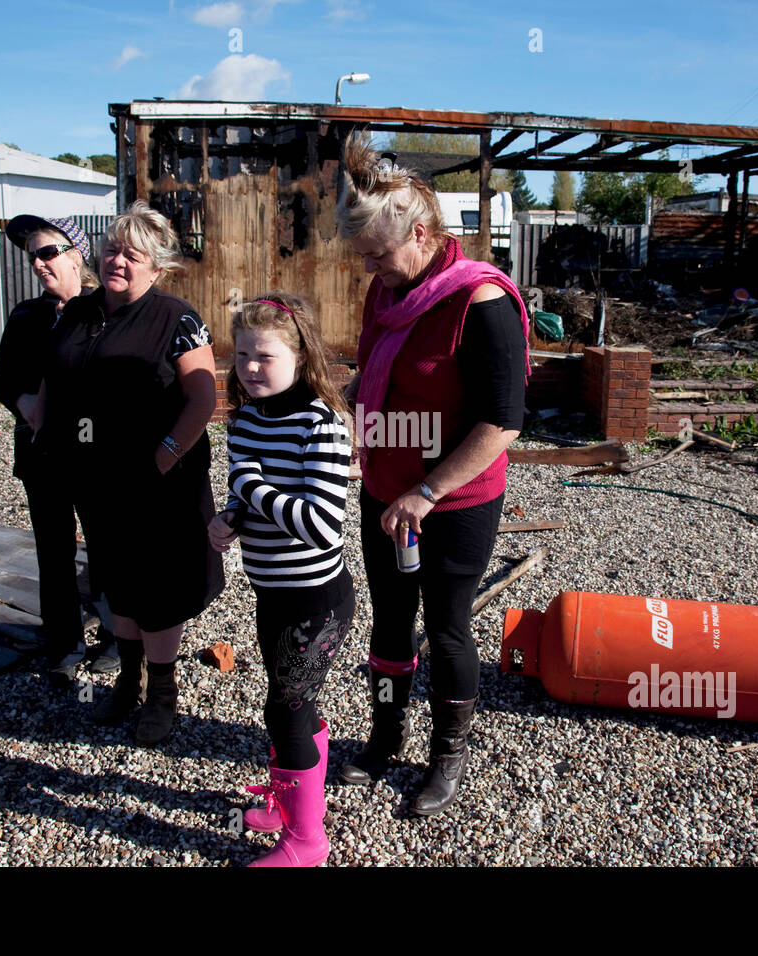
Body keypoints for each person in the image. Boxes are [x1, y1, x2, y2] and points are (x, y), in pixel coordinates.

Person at [335, 139, 530, 815]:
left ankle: (446, 755)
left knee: (445, 625)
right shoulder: (387, 289)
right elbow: (380, 370)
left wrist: (427, 491)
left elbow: (502, 422)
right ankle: (385, 733)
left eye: (378, 253)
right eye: (362, 254)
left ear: (421, 232)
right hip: (386, 491)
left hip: (449, 502)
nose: (370, 267)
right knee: (389, 622)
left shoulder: (480, 303)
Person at [45, 200, 224, 747]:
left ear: (157, 266)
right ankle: (129, 678)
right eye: (112, 248)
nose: (118, 260)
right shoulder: (79, 312)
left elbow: (203, 396)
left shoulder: (177, 318)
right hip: (98, 480)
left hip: (159, 483)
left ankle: (162, 694)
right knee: (116, 581)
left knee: (159, 588)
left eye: (132, 253)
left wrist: (166, 454)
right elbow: (58, 377)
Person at [207, 293, 354, 867]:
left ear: (300, 355)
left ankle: (306, 842)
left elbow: (321, 525)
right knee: (292, 701)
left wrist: (248, 489)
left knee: (285, 709)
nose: (248, 367)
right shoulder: (244, 420)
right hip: (269, 590)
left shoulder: (323, 424)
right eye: (241, 355)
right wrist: (229, 519)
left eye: (264, 356)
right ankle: (289, 802)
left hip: (316, 599)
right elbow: (248, 499)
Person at [0, 215, 115, 685]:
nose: (38, 263)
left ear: (75, 254)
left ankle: (114, 636)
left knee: (106, 547)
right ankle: (64, 642)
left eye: (47, 252)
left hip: (93, 455)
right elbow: (3, 377)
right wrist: (22, 400)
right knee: (53, 550)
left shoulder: (104, 311)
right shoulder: (27, 315)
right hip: (42, 455)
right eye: (33, 256)